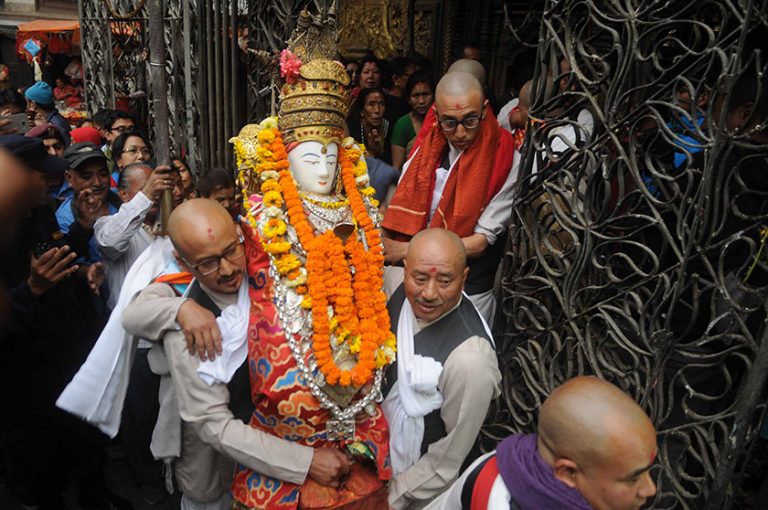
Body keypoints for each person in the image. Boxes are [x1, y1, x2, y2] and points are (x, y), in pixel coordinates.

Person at [122, 199, 356, 510]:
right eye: (208, 263)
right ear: (182, 261)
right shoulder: (188, 325)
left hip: (281, 454)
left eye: (232, 250)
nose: (229, 269)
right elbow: (213, 426)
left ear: (239, 232)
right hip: (218, 473)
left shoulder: (265, 271)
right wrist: (307, 462)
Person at [0, 135, 127, 510]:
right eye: (44, 176)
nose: (51, 184)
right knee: (39, 465)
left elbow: (59, 257)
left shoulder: (40, 213)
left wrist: (82, 261)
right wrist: (31, 290)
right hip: (24, 375)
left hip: (67, 353)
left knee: (84, 444)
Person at [382, 71, 518, 324]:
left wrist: (407, 250)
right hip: (415, 281)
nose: (460, 133)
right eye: (449, 122)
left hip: (469, 289)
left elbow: (479, 243)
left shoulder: (507, 158)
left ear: (485, 109)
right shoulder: (426, 148)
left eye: (470, 120)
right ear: (436, 116)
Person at [382, 229, 501, 509]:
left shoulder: (471, 361)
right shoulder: (395, 285)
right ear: (406, 270)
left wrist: (390, 498)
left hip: (414, 488)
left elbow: (448, 458)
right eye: (420, 278)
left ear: (464, 279)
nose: (429, 293)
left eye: (445, 280)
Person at [425, 376, 658, 510]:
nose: (650, 490)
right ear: (567, 473)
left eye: (649, 471)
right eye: (632, 478)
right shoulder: (497, 500)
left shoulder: (518, 462)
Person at [94, 162, 174, 309]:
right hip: (130, 321)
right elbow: (110, 242)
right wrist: (147, 196)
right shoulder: (107, 225)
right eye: (144, 189)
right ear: (123, 194)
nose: (155, 193)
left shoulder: (170, 222)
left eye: (156, 187)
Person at [391, 73, 434, 169]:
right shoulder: (403, 124)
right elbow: (396, 167)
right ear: (409, 99)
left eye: (426, 94)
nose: (421, 101)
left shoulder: (440, 122)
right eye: (416, 96)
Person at [347, 87, 392, 163]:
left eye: (381, 104)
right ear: (361, 111)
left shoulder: (390, 129)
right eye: (371, 104)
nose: (377, 110)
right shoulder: (352, 128)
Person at [384, 56, 416, 125]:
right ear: (396, 79)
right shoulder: (388, 107)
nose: (416, 80)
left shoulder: (407, 103)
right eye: (411, 76)